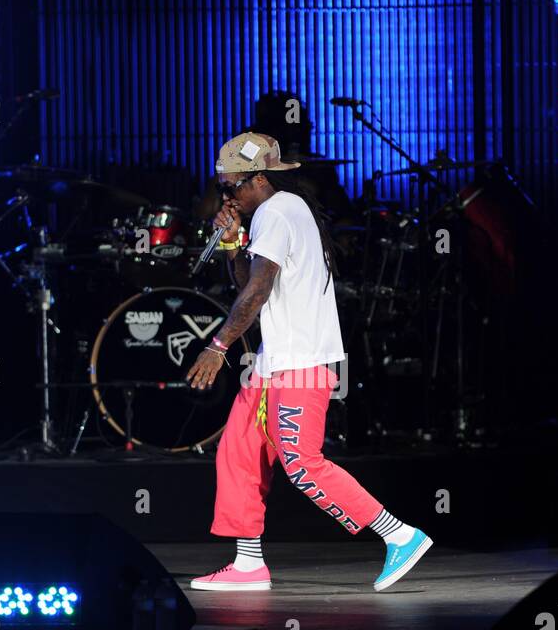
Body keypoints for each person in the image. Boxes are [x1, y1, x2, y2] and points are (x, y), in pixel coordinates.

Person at [184, 133, 431, 592]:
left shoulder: (277, 212)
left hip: (300, 361)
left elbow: (257, 293)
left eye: (229, 186)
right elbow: (251, 284)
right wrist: (233, 244)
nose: (225, 196)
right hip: (272, 362)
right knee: (239, 452)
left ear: (258, 178)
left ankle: (399, 534)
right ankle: (248, 563)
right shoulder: (275, 213)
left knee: (302, 464)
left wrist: (217, 347)